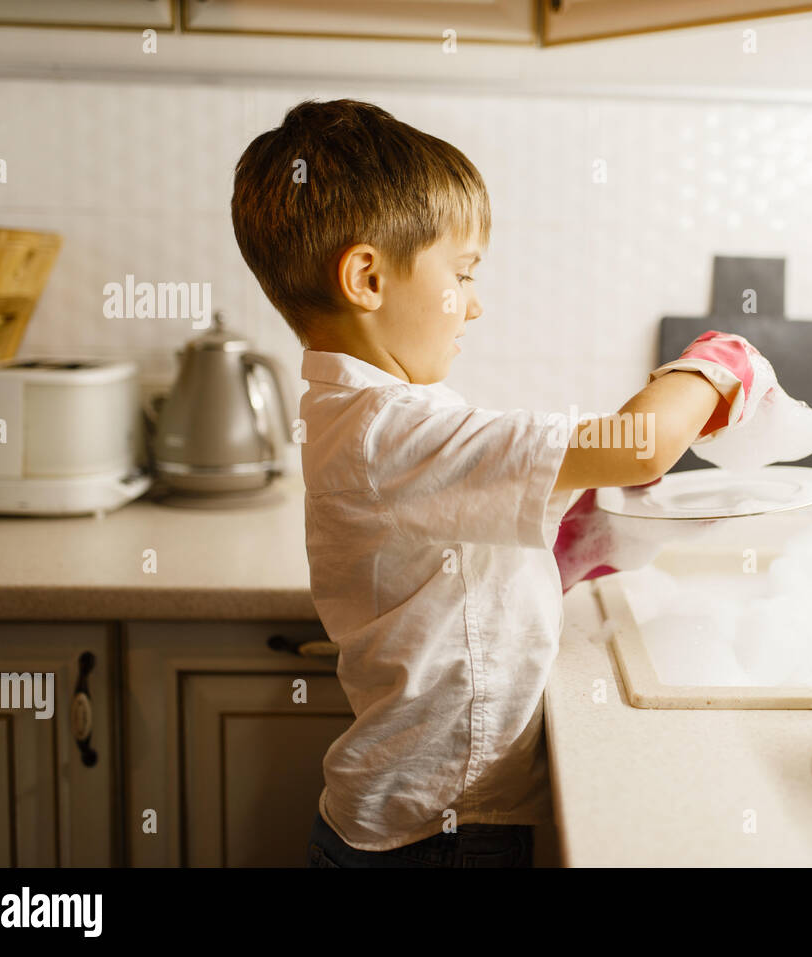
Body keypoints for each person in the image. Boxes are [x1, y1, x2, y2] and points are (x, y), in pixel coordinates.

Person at [231, 99, 766, 867]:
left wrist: (559, 542)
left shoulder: (372, 415)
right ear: (367, 277)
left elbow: (461, 533)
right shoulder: (386, 426)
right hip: (440, 831)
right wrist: (719, 363)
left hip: (428, 815)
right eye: (462, 272)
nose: (475, 302)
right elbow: (639, 445)